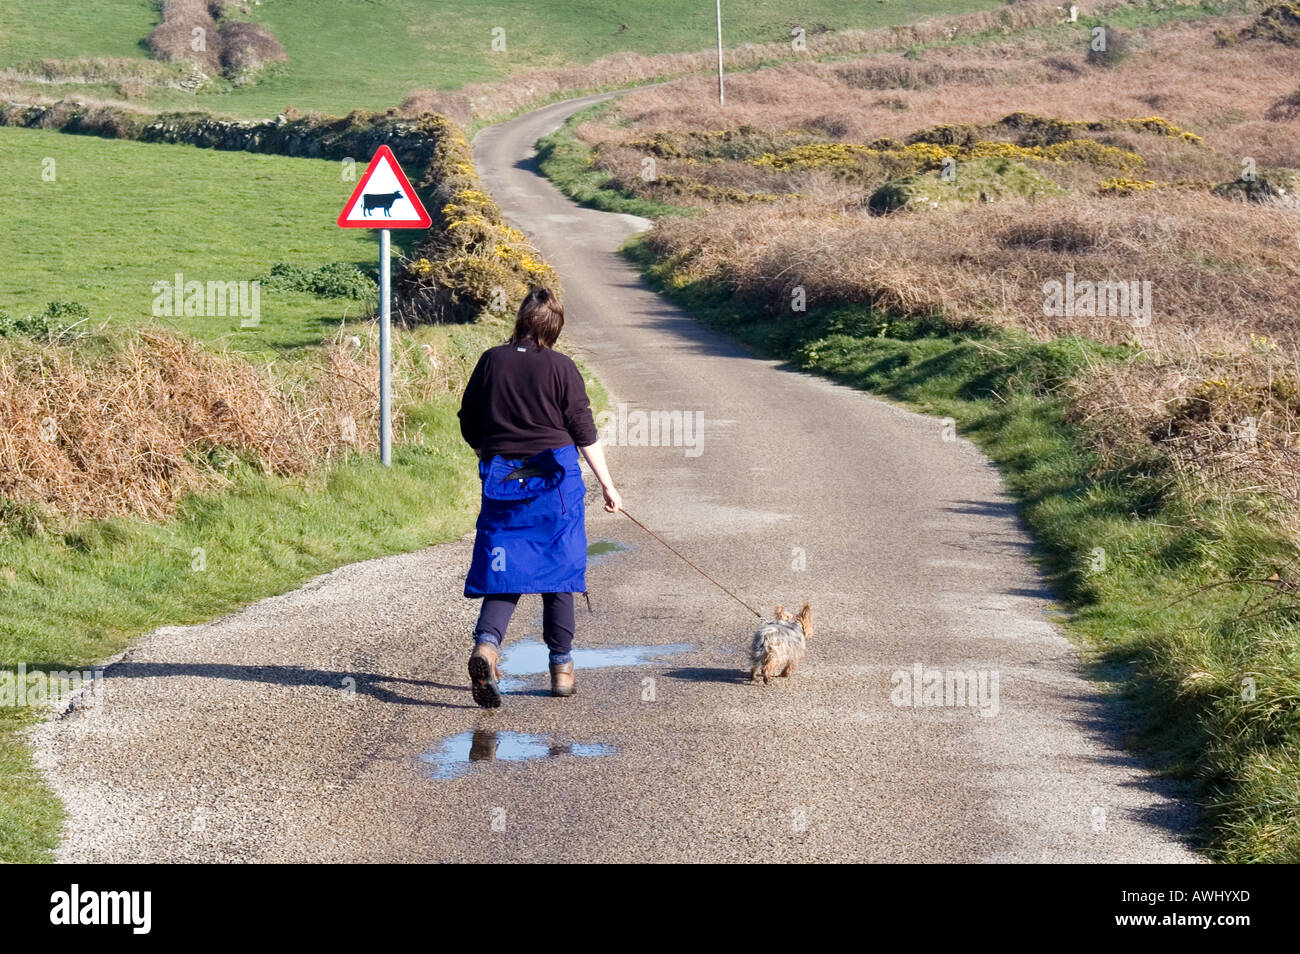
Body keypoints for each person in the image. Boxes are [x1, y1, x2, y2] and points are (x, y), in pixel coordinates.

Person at [457, 287, 622, 708]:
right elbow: (584, 431)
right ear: (555, 326)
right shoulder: (562, 367)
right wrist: (607, 484)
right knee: (559, 572)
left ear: (520, 318)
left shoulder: (492, 361)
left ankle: (488, 647)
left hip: (504, 477)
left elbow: (469, 418)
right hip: (556, 480)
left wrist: (486, 451)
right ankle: (561, 671)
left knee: (504, 568)